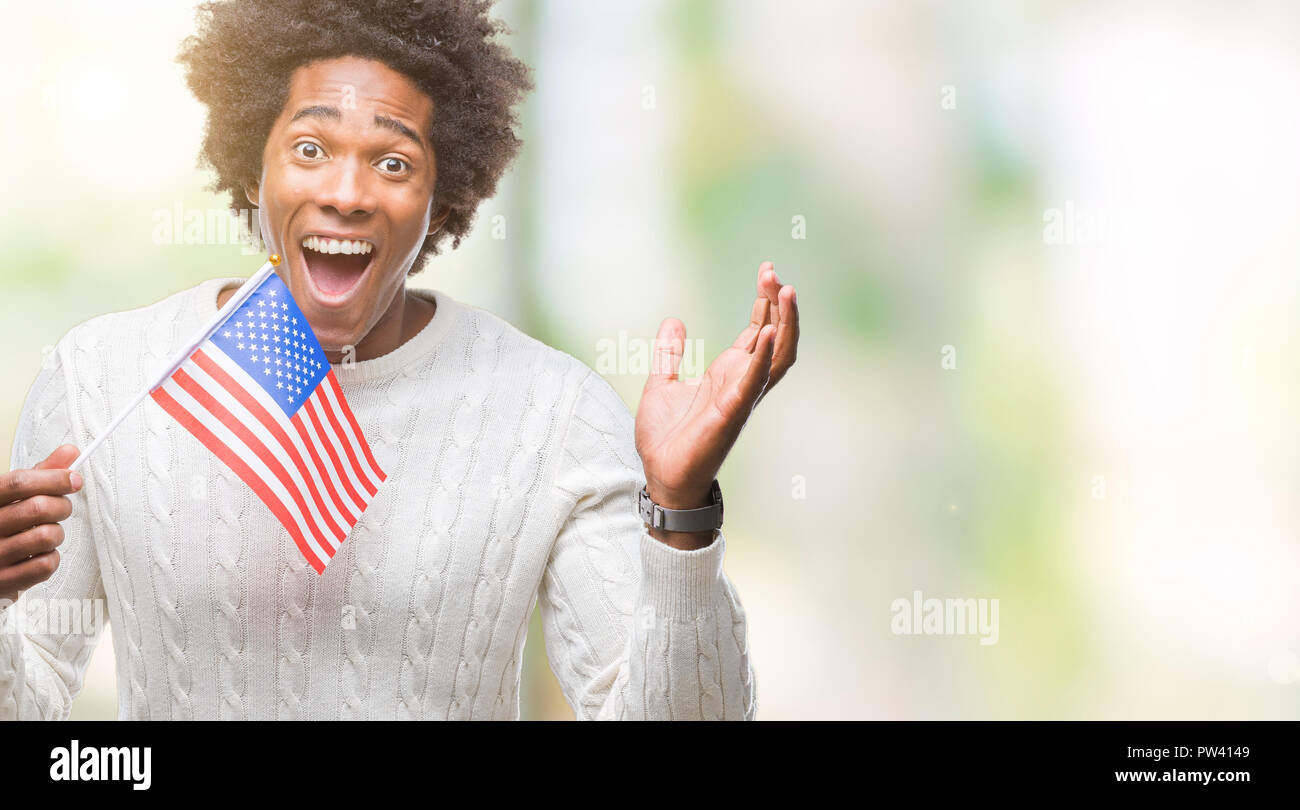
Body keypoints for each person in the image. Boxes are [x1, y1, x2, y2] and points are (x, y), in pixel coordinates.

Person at [0, 0, 797, 720]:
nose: (347, 192)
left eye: (393, 163)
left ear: (443, 198)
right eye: (310, 147)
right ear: (252, 164)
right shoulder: (104, 378)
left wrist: (681, 511)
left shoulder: (553, 413)